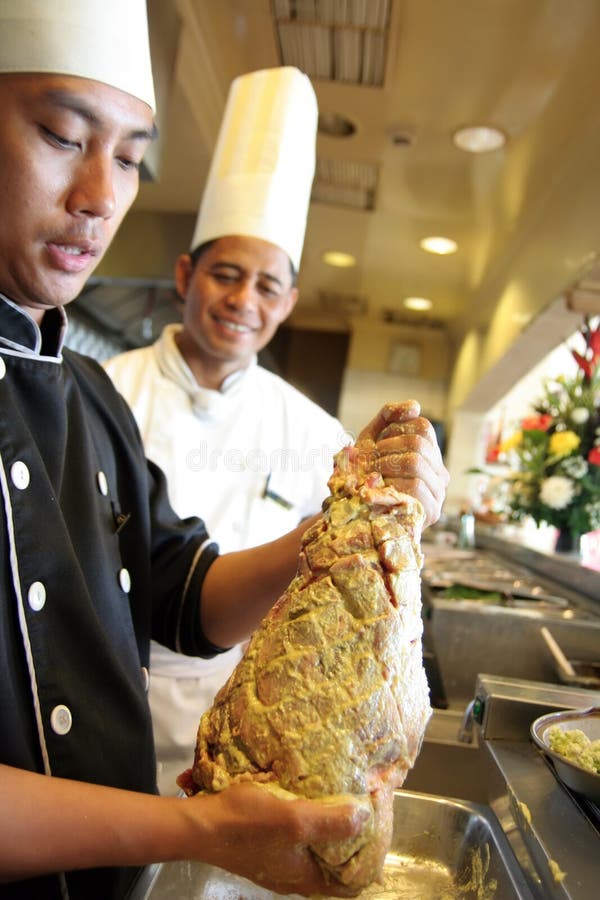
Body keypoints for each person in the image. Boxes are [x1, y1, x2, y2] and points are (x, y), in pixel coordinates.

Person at [0, 2, 449, 898]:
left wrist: (353, 511)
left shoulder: (88, 399)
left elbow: (183, 596)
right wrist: (195, 827)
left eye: (130, 158)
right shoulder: (123, 380)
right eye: (60, 134)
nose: (99, 197)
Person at [104, 67, 351, 796]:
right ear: (186, 274)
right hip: (107, 713)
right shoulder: (104, 393)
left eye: (267, 285)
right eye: (226, 275)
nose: (243, 300)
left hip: (251, 734)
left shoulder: (316, 433)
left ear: (289, 303)